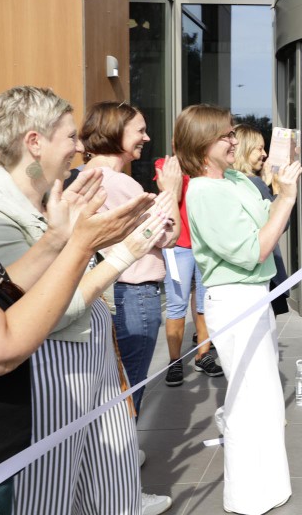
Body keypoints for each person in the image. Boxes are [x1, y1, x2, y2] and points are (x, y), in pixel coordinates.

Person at [0, 86, 173, 515]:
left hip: (90, 359)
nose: (79, 147)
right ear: (34, 142)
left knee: (117, 486)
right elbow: (43, 312)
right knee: (48, 497)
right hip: (49, 374)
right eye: (70, 137)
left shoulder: (52, 197)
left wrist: (91, 243)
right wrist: (120, 251)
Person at [177, 104, 301, 515]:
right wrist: (286, 197)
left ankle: (269, 487)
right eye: (226, 135)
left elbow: (265, 220)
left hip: (255, 297)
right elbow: (253, 250)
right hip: (234, 300)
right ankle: (248, 498)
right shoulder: (203, 191)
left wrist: (280, 189)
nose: (235, 140)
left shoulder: (233, 179)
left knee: (263, 398)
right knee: (250, 399)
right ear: (202, 144)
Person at [80, 101, 196, 413]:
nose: (146, 138)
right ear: (115, 133)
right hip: (133, 294)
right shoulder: (119, 182)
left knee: (111, 381)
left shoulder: (83, 176)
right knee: (129, 386)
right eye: (140, 131)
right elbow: (168, 235)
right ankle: (124, 454)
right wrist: (170, 191)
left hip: (104, 293)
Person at [154, 150, 222, 387]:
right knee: (176, 304)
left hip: (205, 246)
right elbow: (171, 197)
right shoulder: (166, 164)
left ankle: (203, 355)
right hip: (177, 247)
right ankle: (175, 362)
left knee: (205, 303)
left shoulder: (209, 166)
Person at [232, 124, 291, 316]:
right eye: (259, 148)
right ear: (245, 149)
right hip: (262, 274)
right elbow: (279, 223)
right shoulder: (253, 182)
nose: (264, 154)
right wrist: (278, 190)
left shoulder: (231, 181)